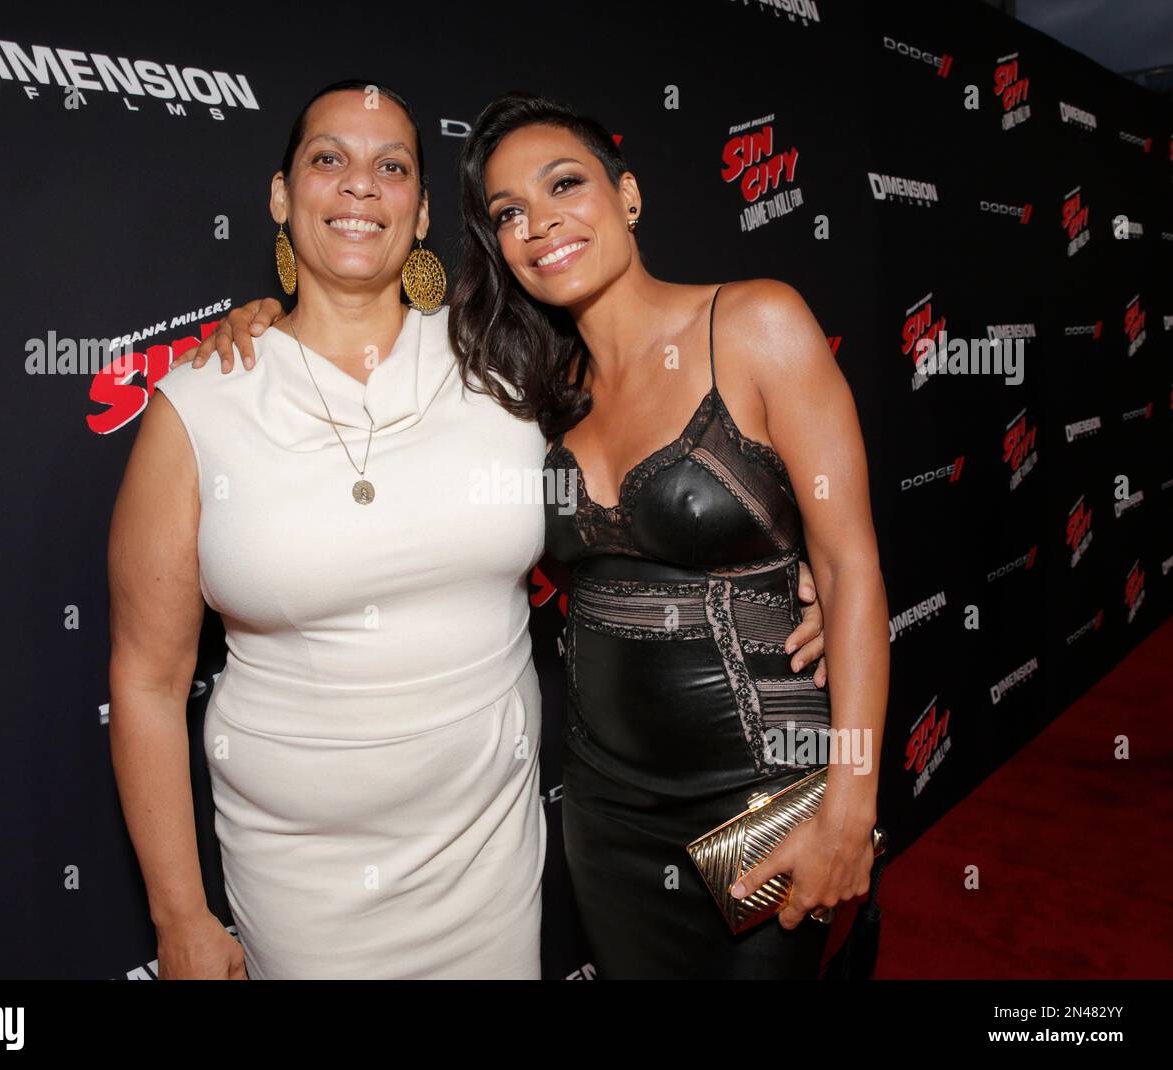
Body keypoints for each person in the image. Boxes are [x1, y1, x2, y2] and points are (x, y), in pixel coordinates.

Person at [174, 91, 841, 979]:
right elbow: (147, 674)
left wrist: (851, 774)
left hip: (713, 799)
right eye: (509, 212)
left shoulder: (543, 361)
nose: (541, 223)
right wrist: (257, 322)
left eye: (566, 185)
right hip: (581, 816)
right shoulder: (528, 374)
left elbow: (846, 555)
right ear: (280, 195)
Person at [108, 80, 556, 979]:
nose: (360, 185)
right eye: (328, 159)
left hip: (490, 867)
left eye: (392, 167)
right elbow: (148, 681)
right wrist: (180, 916)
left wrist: (789, 560)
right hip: (300, 888)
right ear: (281, 197)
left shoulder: (503, 363)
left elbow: (647, 461)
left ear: (421, 214)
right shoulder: (198, 404)